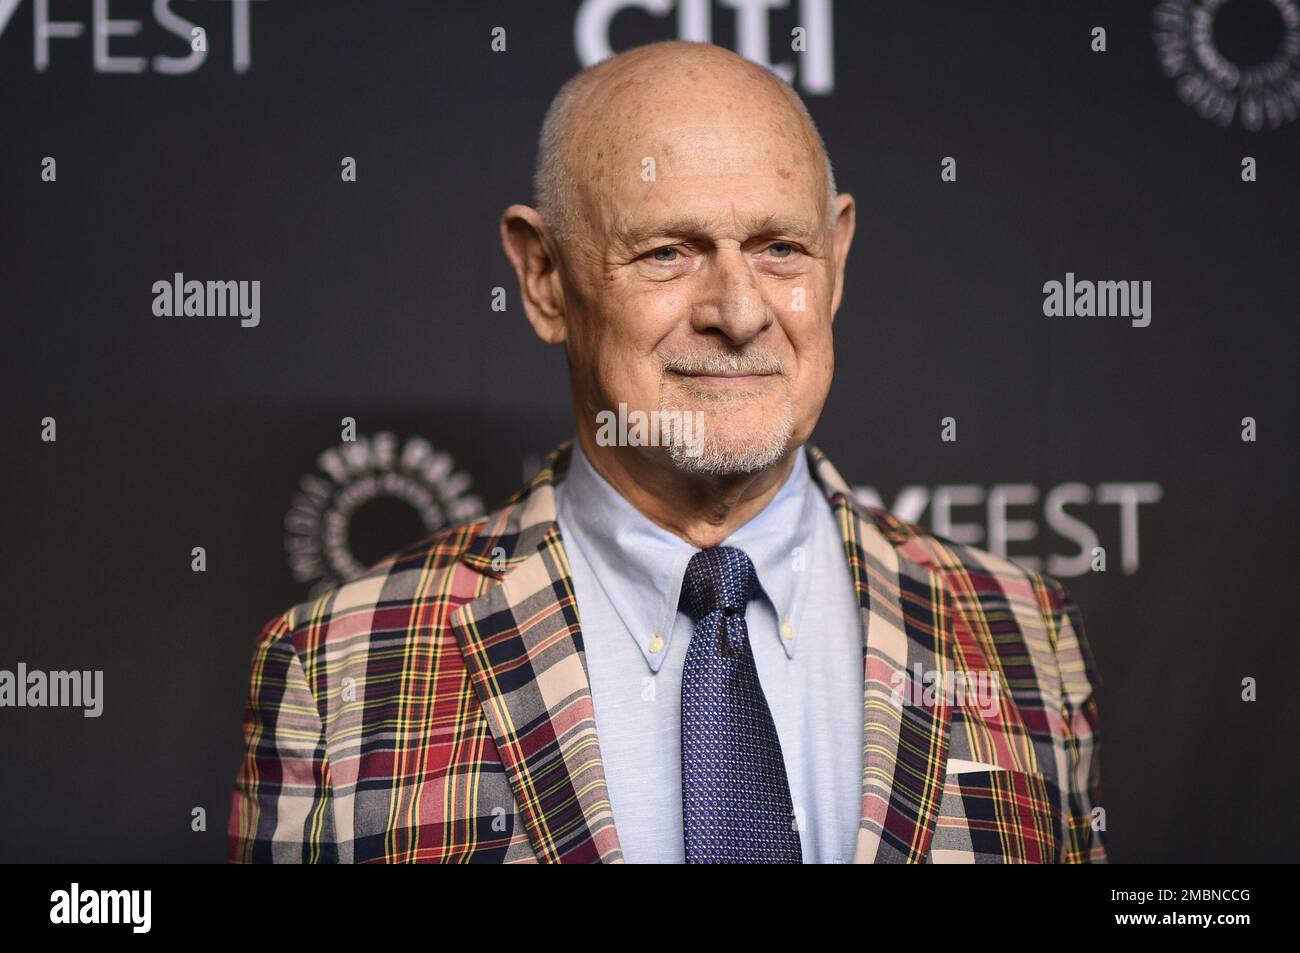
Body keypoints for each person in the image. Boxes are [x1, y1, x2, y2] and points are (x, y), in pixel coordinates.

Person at [228, 40, 1106, 864]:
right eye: (668, 252)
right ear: (544, 278)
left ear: (835, 261)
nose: (739, 310)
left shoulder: (1023, 632)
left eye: (780, 249)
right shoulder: (339, 666)